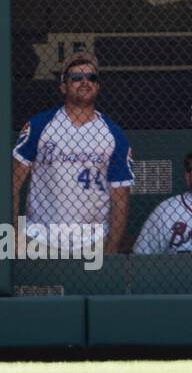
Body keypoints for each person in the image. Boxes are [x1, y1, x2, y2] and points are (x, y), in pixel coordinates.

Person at [12, 52, 134, 254]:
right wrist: (15, 233)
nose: (85, 82)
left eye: (91, 77)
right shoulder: (40, 125)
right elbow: (12, 185)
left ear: (98, 86)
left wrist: (111, 250)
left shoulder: (113, 135)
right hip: (39, 238)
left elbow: (120, 200)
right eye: (76, 77)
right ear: (63, 86)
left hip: (93, 241)